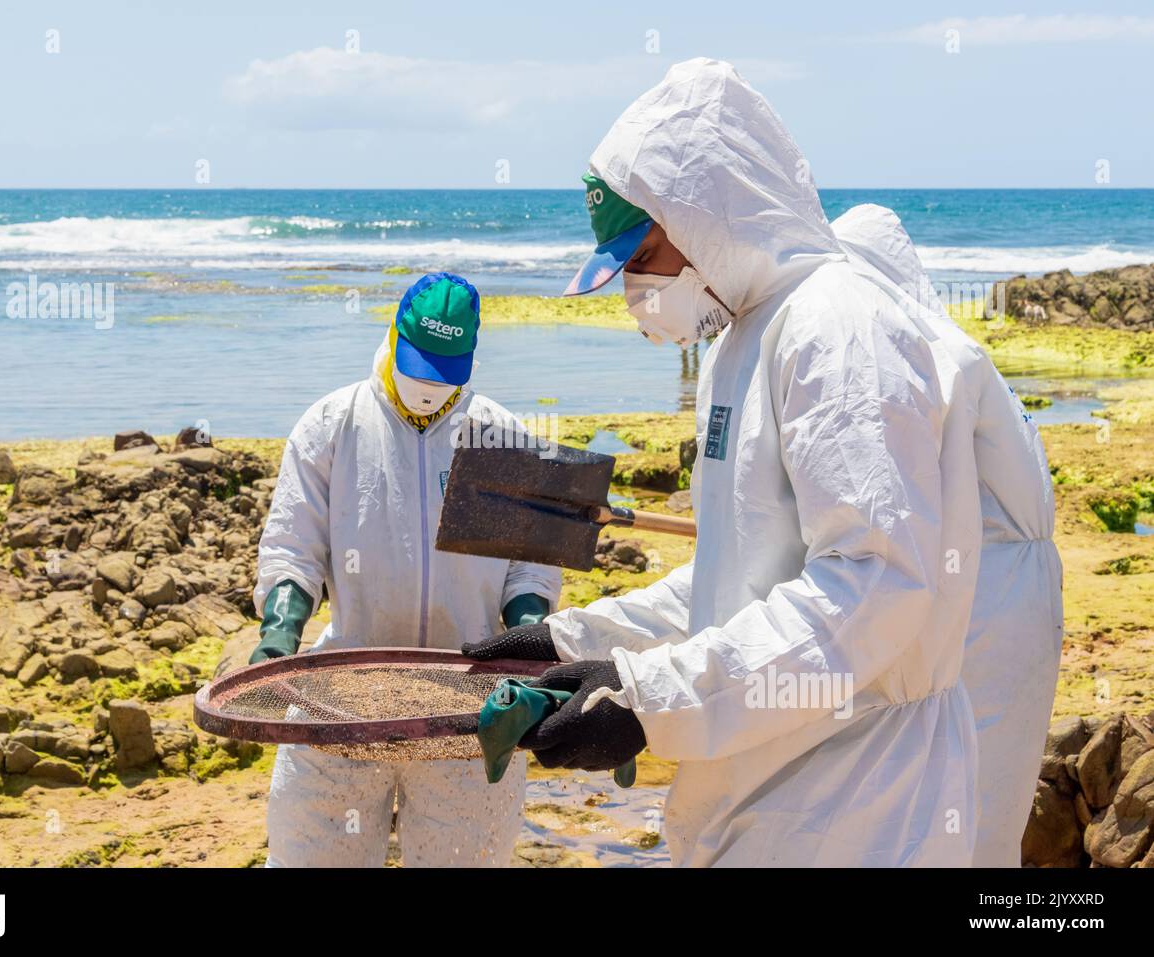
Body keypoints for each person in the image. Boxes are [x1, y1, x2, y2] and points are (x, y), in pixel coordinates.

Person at [467, 59, 985, 867]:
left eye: (643, 253)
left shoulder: (837, 327)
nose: (636, 286)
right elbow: (734, 576)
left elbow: (873, 587)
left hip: (855, 798)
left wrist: (653, 700)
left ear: (707, 213)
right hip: (759, 786)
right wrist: (578, 640)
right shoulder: (741, 344)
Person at [254, 271, 561, 868]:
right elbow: (296, 548)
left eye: (445, 372)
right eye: (419, 364)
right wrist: (278, 633)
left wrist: (528, 638)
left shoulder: (501, 438)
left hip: (469, 710)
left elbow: (530, 569)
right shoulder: (331, 426)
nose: (428, 385)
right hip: (339, 698)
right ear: (394, 336)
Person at [830, 203, 1064, 867]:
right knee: (989, 797)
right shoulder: (961, 350)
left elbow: (899, 497)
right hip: (1018, 590)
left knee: (964, 798)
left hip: (985, 598)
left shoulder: (929, 358)